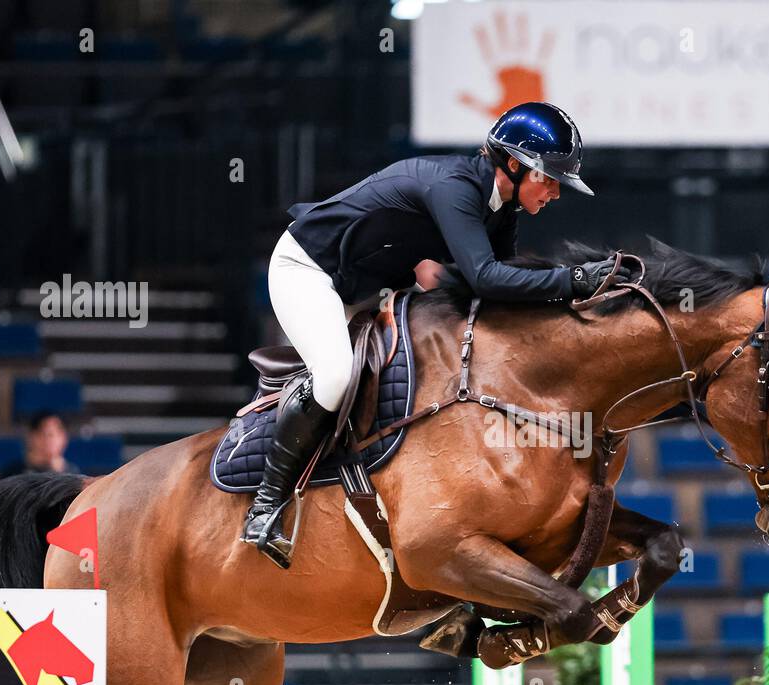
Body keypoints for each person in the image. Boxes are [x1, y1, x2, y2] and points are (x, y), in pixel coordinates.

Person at [244, 102, 618, 568]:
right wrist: (573, 279)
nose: (557, 193)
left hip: (367, 284)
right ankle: (265, 504)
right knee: (337, 375)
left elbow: (502, 295)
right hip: (309, 271)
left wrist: (587, 303)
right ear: (515, 164)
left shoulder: (499, 206)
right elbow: (487, 279)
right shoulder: (454, 188)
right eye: (551, 178)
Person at [0, 412, 80, 478]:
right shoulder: (13, 472)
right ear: (32, 436)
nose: (52, 440)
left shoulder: (73, 474)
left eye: (58, 434)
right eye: (47, 434)